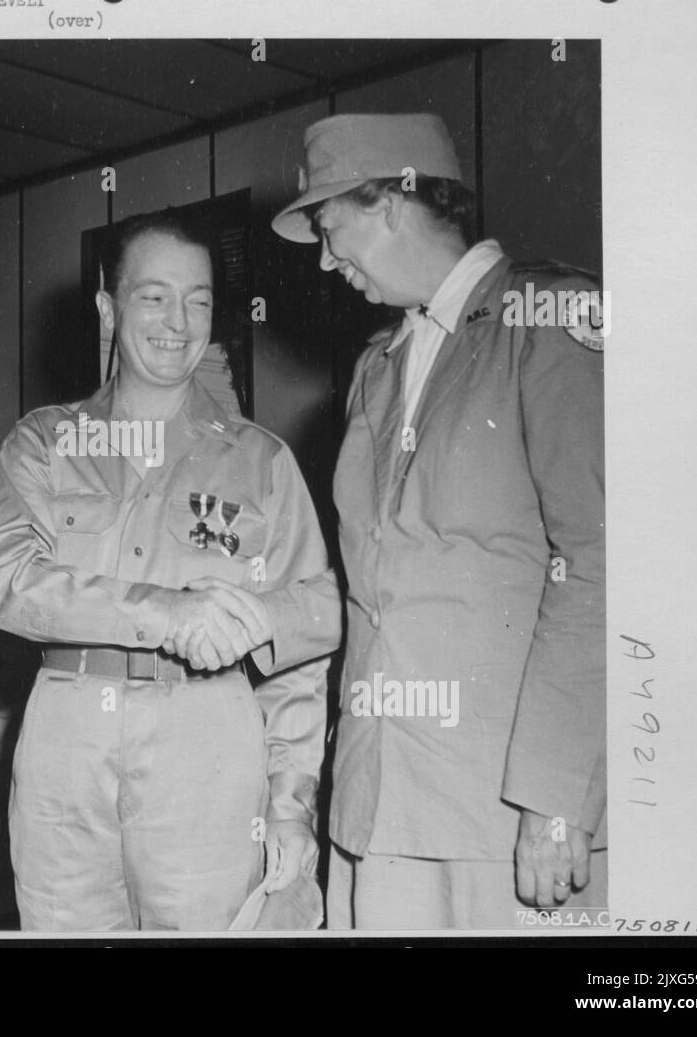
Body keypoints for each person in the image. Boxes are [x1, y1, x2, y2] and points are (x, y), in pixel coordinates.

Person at [272, 112, 606, 929]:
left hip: (501, 814)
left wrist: (555, 797)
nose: (324, 258)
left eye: (327, 227)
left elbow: (601, 563)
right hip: (380, 801)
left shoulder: (545, 319)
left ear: (385, 202)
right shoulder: (377, 366)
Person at [0, 210, 341, 931]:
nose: (178, 322)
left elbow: (304, 650)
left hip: (206, 734)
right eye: (154, 297)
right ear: (109, 307)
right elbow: (6, 582)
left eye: (198, 300)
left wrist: (290, 806)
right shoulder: (46, 441)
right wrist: (167, 612)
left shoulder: (261, 460)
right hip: (67, 731)